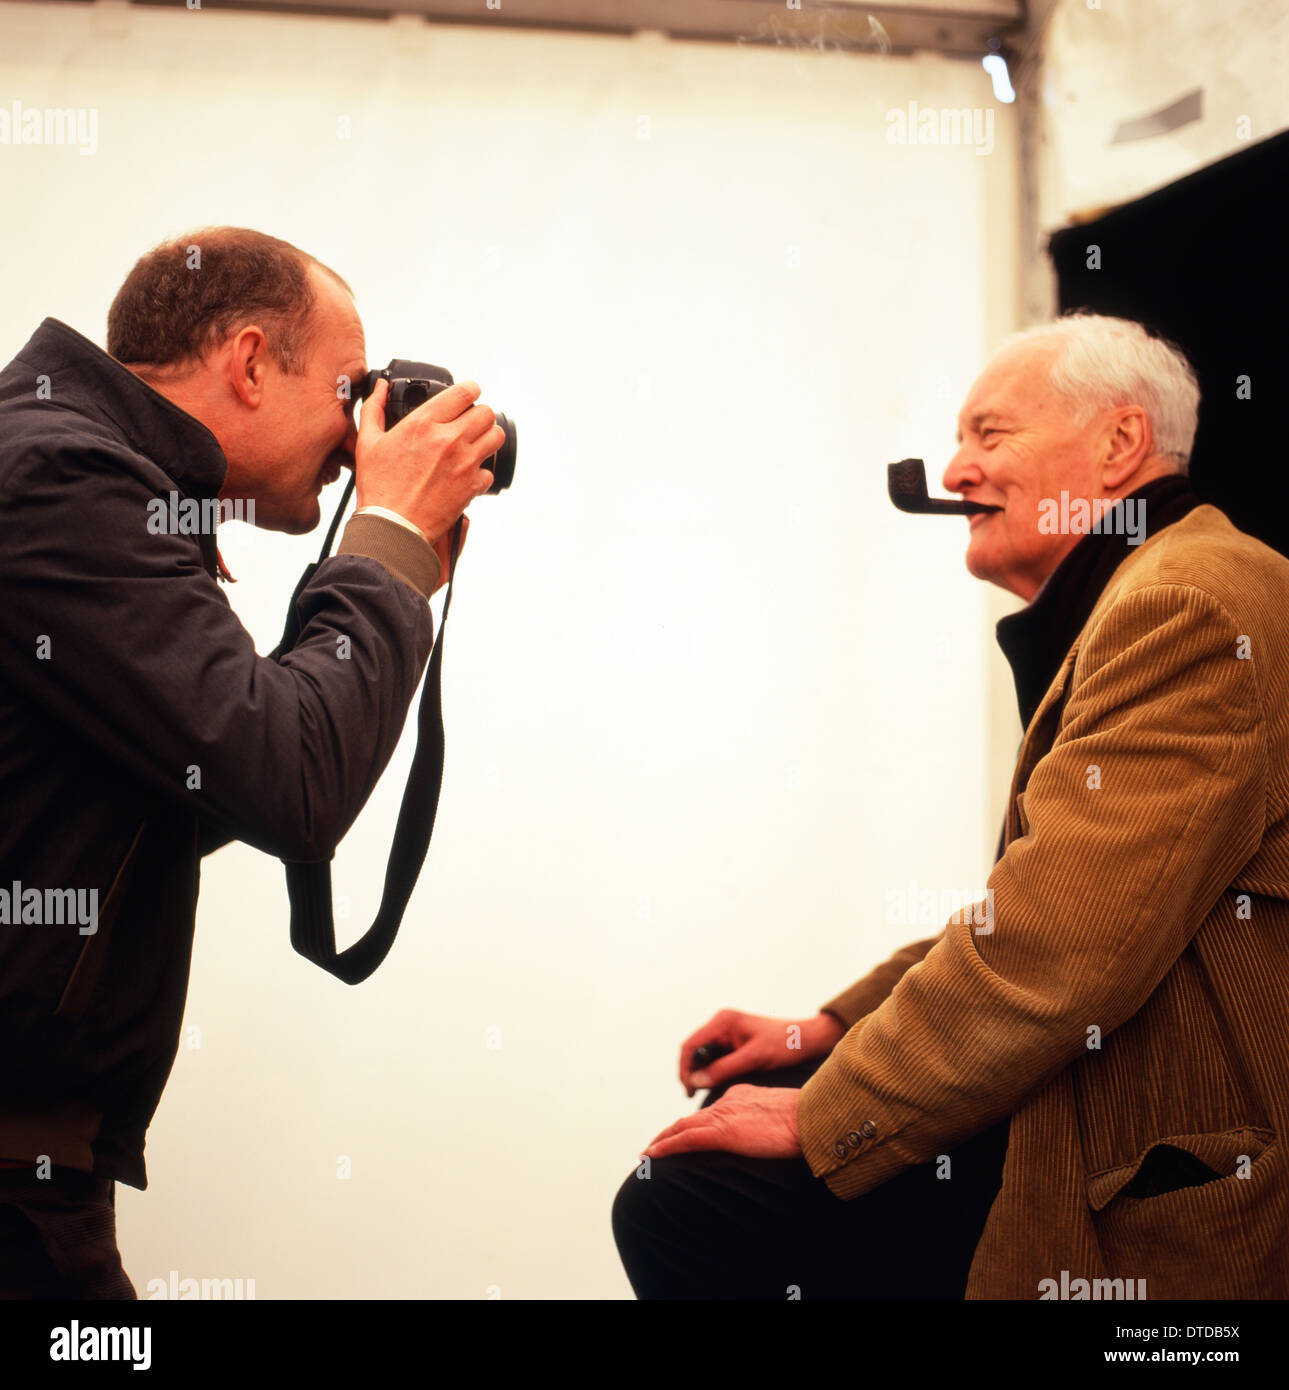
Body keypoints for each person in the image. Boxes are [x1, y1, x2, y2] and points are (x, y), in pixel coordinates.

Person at [613, 312, 1289, 1300]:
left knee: (687, 1197)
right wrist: (828, 1027)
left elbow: (1057, 946)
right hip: (1087, 1114)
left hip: (1161, 1180)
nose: (955, 469)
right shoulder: (1163, 585)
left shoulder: (1178, 607)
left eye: (989, 435)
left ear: (1117, 444)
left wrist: (822, 1110)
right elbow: (1042, 898)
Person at [0, 226, 504, 1297]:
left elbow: (199, 783)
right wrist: (389, 541)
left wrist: (390, 555)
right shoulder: (62, 476)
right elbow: (290, 781)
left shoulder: (76, 469)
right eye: (348, 389)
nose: (358, 432)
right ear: (247, 361)